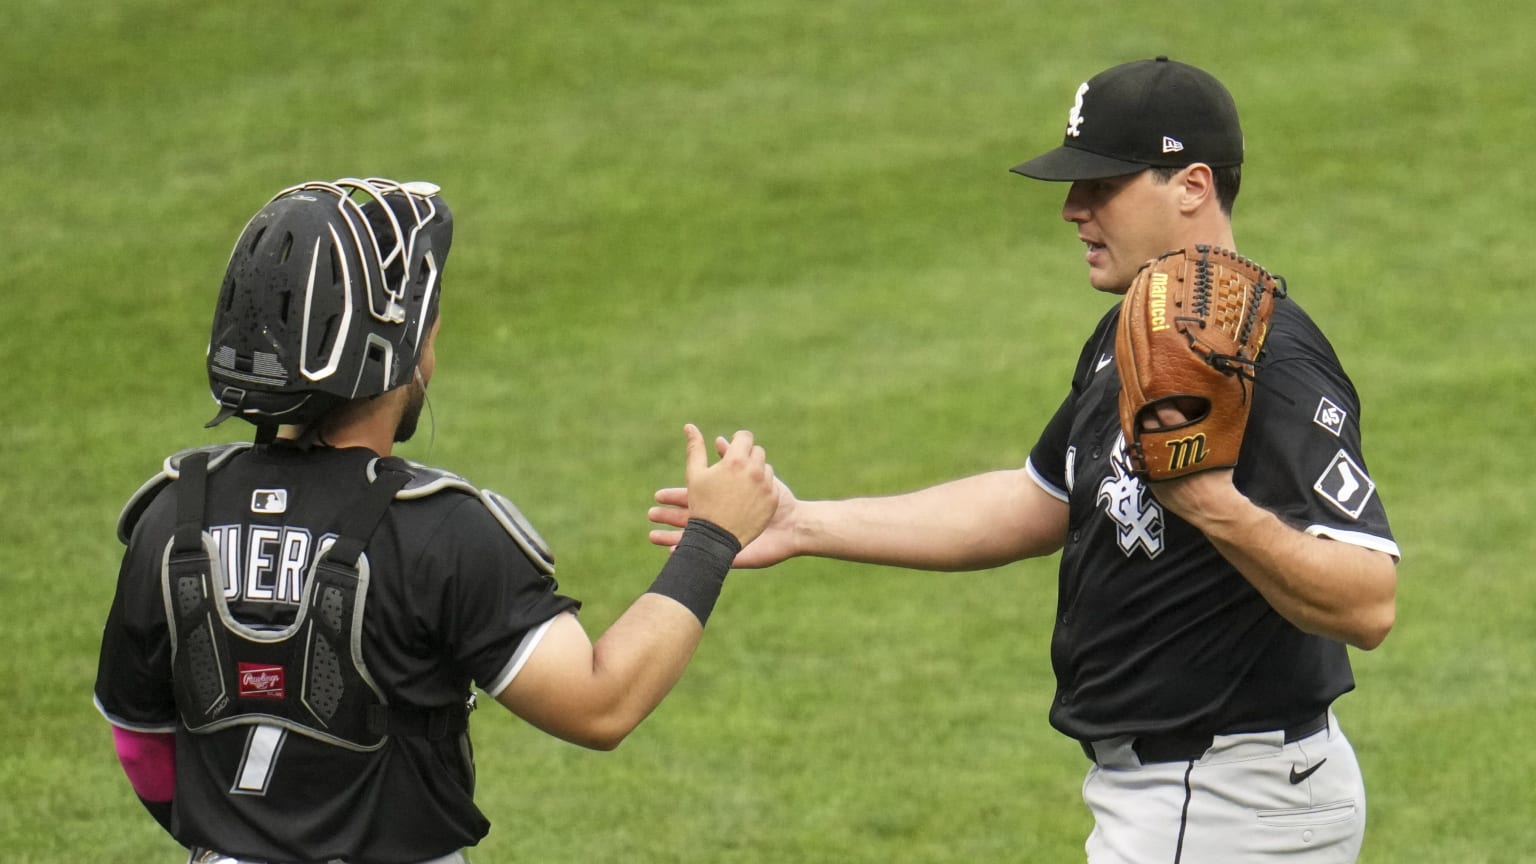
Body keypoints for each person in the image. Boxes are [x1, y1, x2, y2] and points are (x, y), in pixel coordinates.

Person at [650, 58, 1399, 862]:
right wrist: (802, 524)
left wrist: (1210, 503)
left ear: (1190, 185)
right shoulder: (1140, 336)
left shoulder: (1273, 358)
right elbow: (1037, 498)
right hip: (1190, 793)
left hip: (1220, 797)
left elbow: (1367, 603)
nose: (1074, 210)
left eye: (1102, 184)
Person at [94, 177, 779, 864]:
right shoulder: (437, 531)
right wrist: (712, 537)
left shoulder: (171, 517)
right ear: (391, 351)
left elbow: (140, 742)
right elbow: (601, 705)